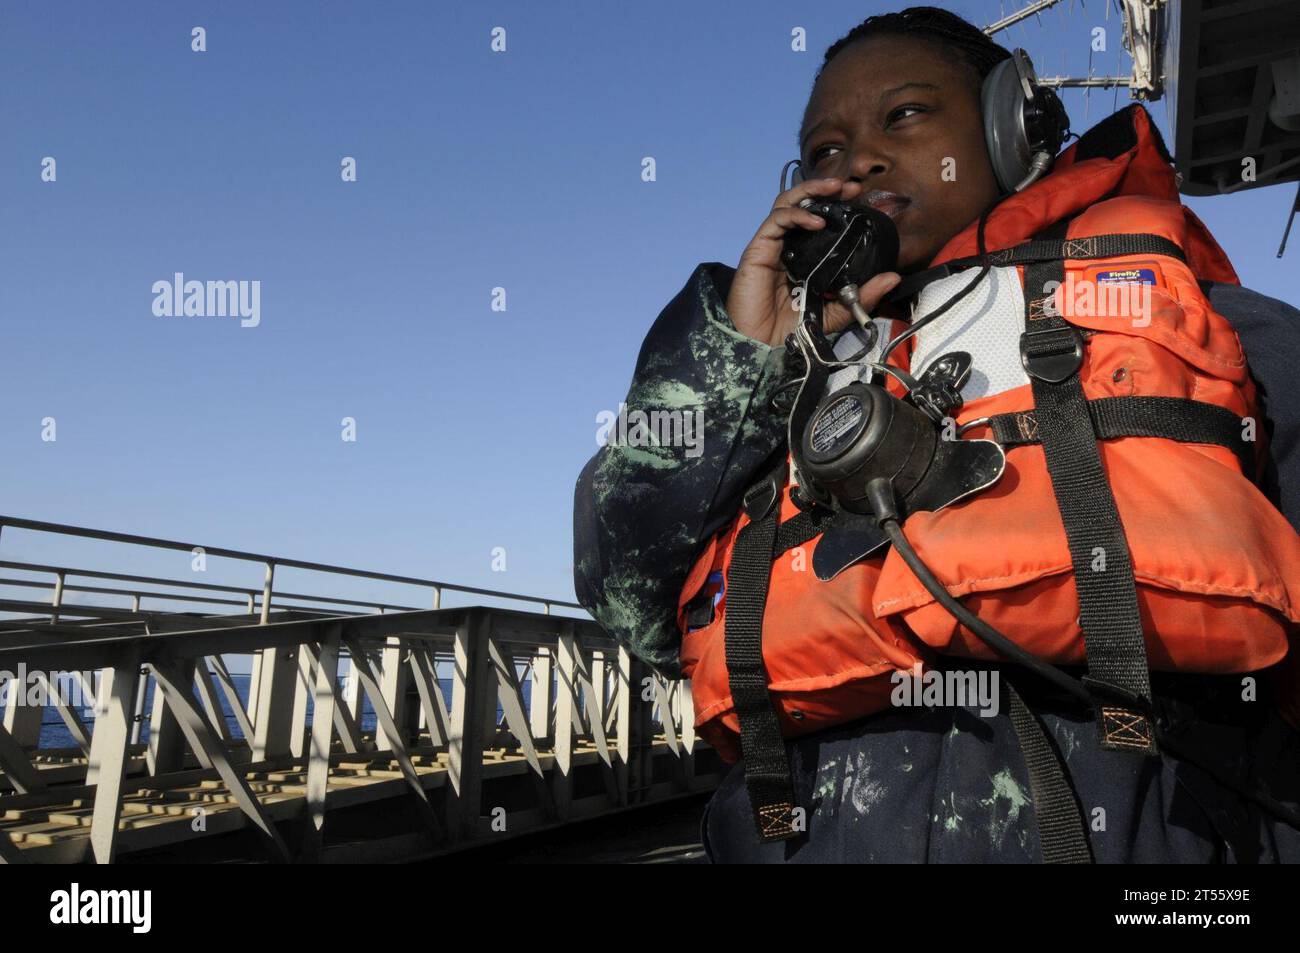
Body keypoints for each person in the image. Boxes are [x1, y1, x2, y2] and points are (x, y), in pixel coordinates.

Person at [572, 6, 1300, 862]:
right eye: (824, 152)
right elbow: (629, 598)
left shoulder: (1198, 330)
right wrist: (742, 358)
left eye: (906, 115)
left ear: (1011, 126)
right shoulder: (784, 392)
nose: (860, 160)